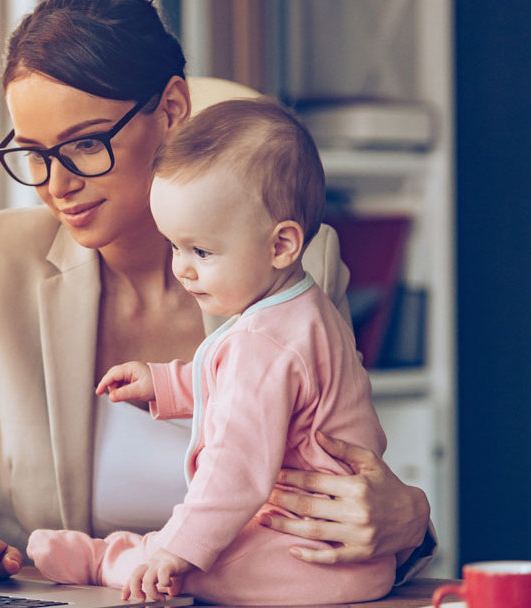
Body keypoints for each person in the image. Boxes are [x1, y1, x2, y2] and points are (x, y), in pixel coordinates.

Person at [0, 0, 434, 593]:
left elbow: (342, 459)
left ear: (172, 109)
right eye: (34, 154)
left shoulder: (292, 266)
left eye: (84, 145)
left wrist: (409, 521)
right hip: (57, 598)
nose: (57, 184)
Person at [26, 97, 396, 605]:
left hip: (306, 556)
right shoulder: (302, 310)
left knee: (192, 569)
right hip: (346, 553)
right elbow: (248, 389)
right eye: (174, 246)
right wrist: (164, 384)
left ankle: (107, 559)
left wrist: (177, 550)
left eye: (201, 251)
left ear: (281, 245)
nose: (182, 268)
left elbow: (235, 470)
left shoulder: (261, 341)